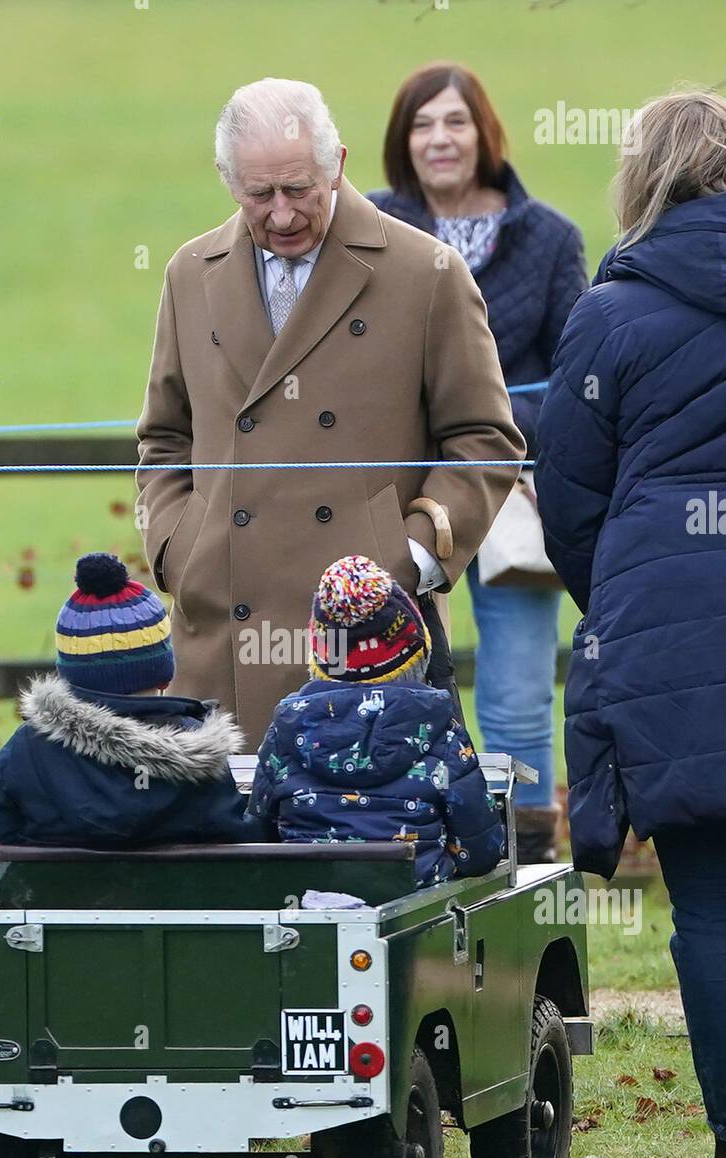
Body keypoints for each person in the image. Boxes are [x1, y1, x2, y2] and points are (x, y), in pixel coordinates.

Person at [134, 76, 525, 752]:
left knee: (356, 850)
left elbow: (485, 439)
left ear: (338, 165)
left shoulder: (426, 272)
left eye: (299, 190)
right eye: (260, 195)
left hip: (368, 636)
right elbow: (165, 439)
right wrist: (179, 546)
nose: (282, 215)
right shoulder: (188, 273)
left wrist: (406, 558)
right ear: (228, 180)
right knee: (227, 852)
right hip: (220, 640)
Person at [535, 91, 726, 1158]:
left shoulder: (611, 313)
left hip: (665, 630)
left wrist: (621, 608)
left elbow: (567, 501)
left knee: (705, 905)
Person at [368, 63, 588, 862]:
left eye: (455, 121)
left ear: (484, 132)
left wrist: (481, 430)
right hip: (395, 499)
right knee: (391, 691)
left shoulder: (552, 238)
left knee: (520, 699)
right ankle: (412, 853)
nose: (440, 138)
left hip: (513, 500)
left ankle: (526, 868)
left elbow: (578, 378)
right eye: (423, 124)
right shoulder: (366, 229)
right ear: (403, 142)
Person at [0, 553, 253, 881]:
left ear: (70, 672)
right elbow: (238, 848)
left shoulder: (27, 750)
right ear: (163, 672)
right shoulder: (201, 754)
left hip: (59, 925)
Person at [248, 555, 504, 888]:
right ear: (416, 652)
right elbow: (480, 851)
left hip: (304, 905)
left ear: (321, 657)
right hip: (417, 909)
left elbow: (258, 836)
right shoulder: (444, 734)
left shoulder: (284, 733)